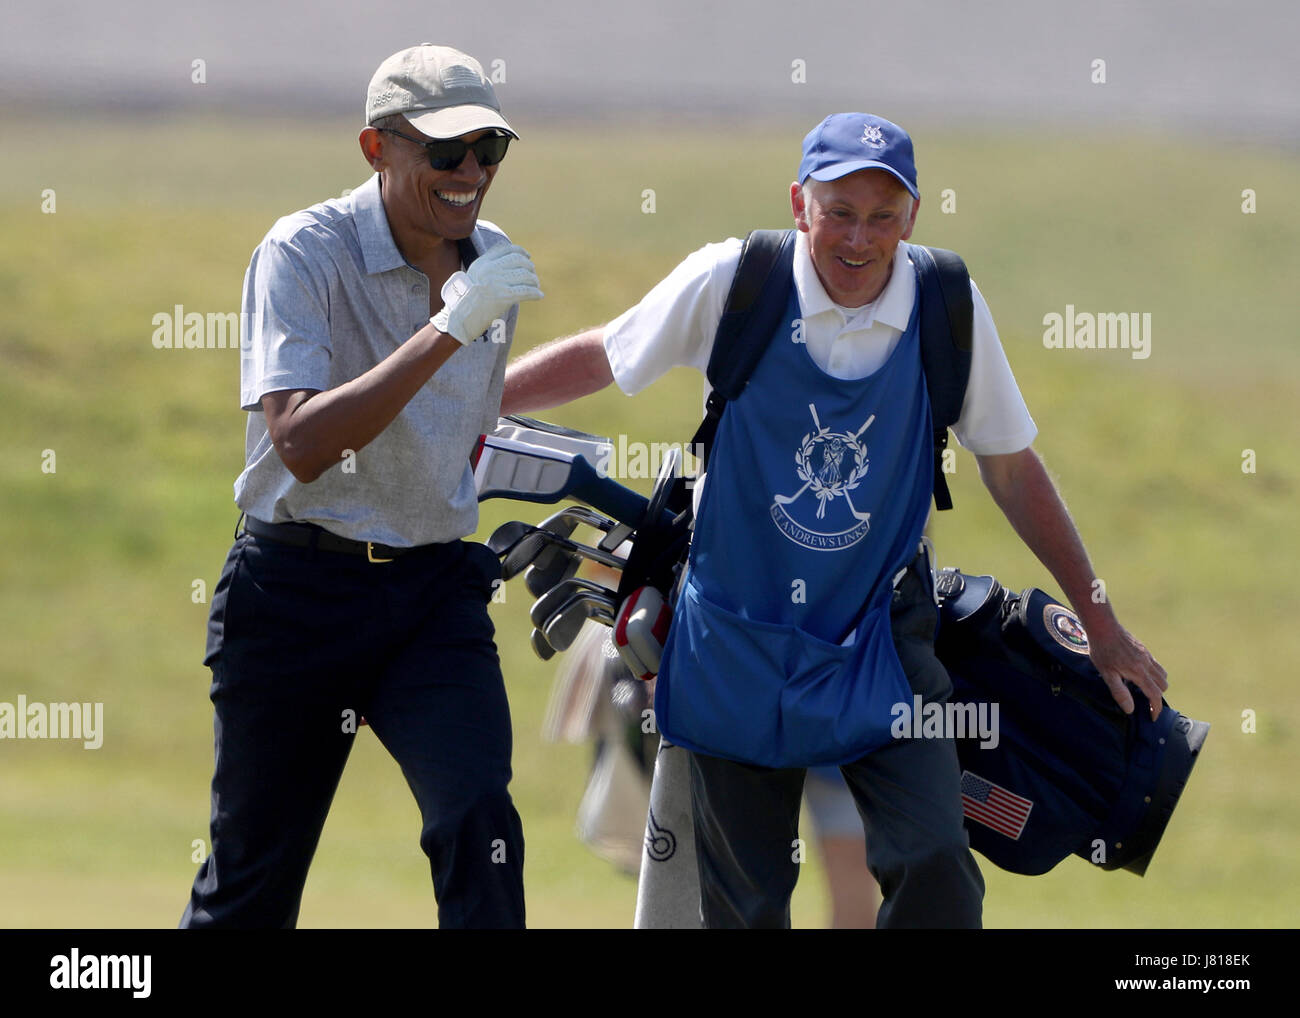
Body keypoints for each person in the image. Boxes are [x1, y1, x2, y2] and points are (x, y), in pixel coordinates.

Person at [502, 112, 1168, 929]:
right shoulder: (734, 281)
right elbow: (608, 353)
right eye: (839, 213)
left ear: (913, 217)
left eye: (883, 217)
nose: (860, 239)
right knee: (745, 908)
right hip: (732, 650)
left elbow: (1011, 466)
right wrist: (477, 403)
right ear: (799, 204)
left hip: (882, 651)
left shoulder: (946, 303)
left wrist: (1101, 625)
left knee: (937, 868)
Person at [180, 44, 543, 929]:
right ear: (377, 149)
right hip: (296, 594)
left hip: (430, 598)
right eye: (445, 152)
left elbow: (459, 440)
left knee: (477, 823)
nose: (471, 174)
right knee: (251, 887)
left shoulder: (490, 266)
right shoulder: (303, 252)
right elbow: (300, 443)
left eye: (488, 150)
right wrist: (451, 327)